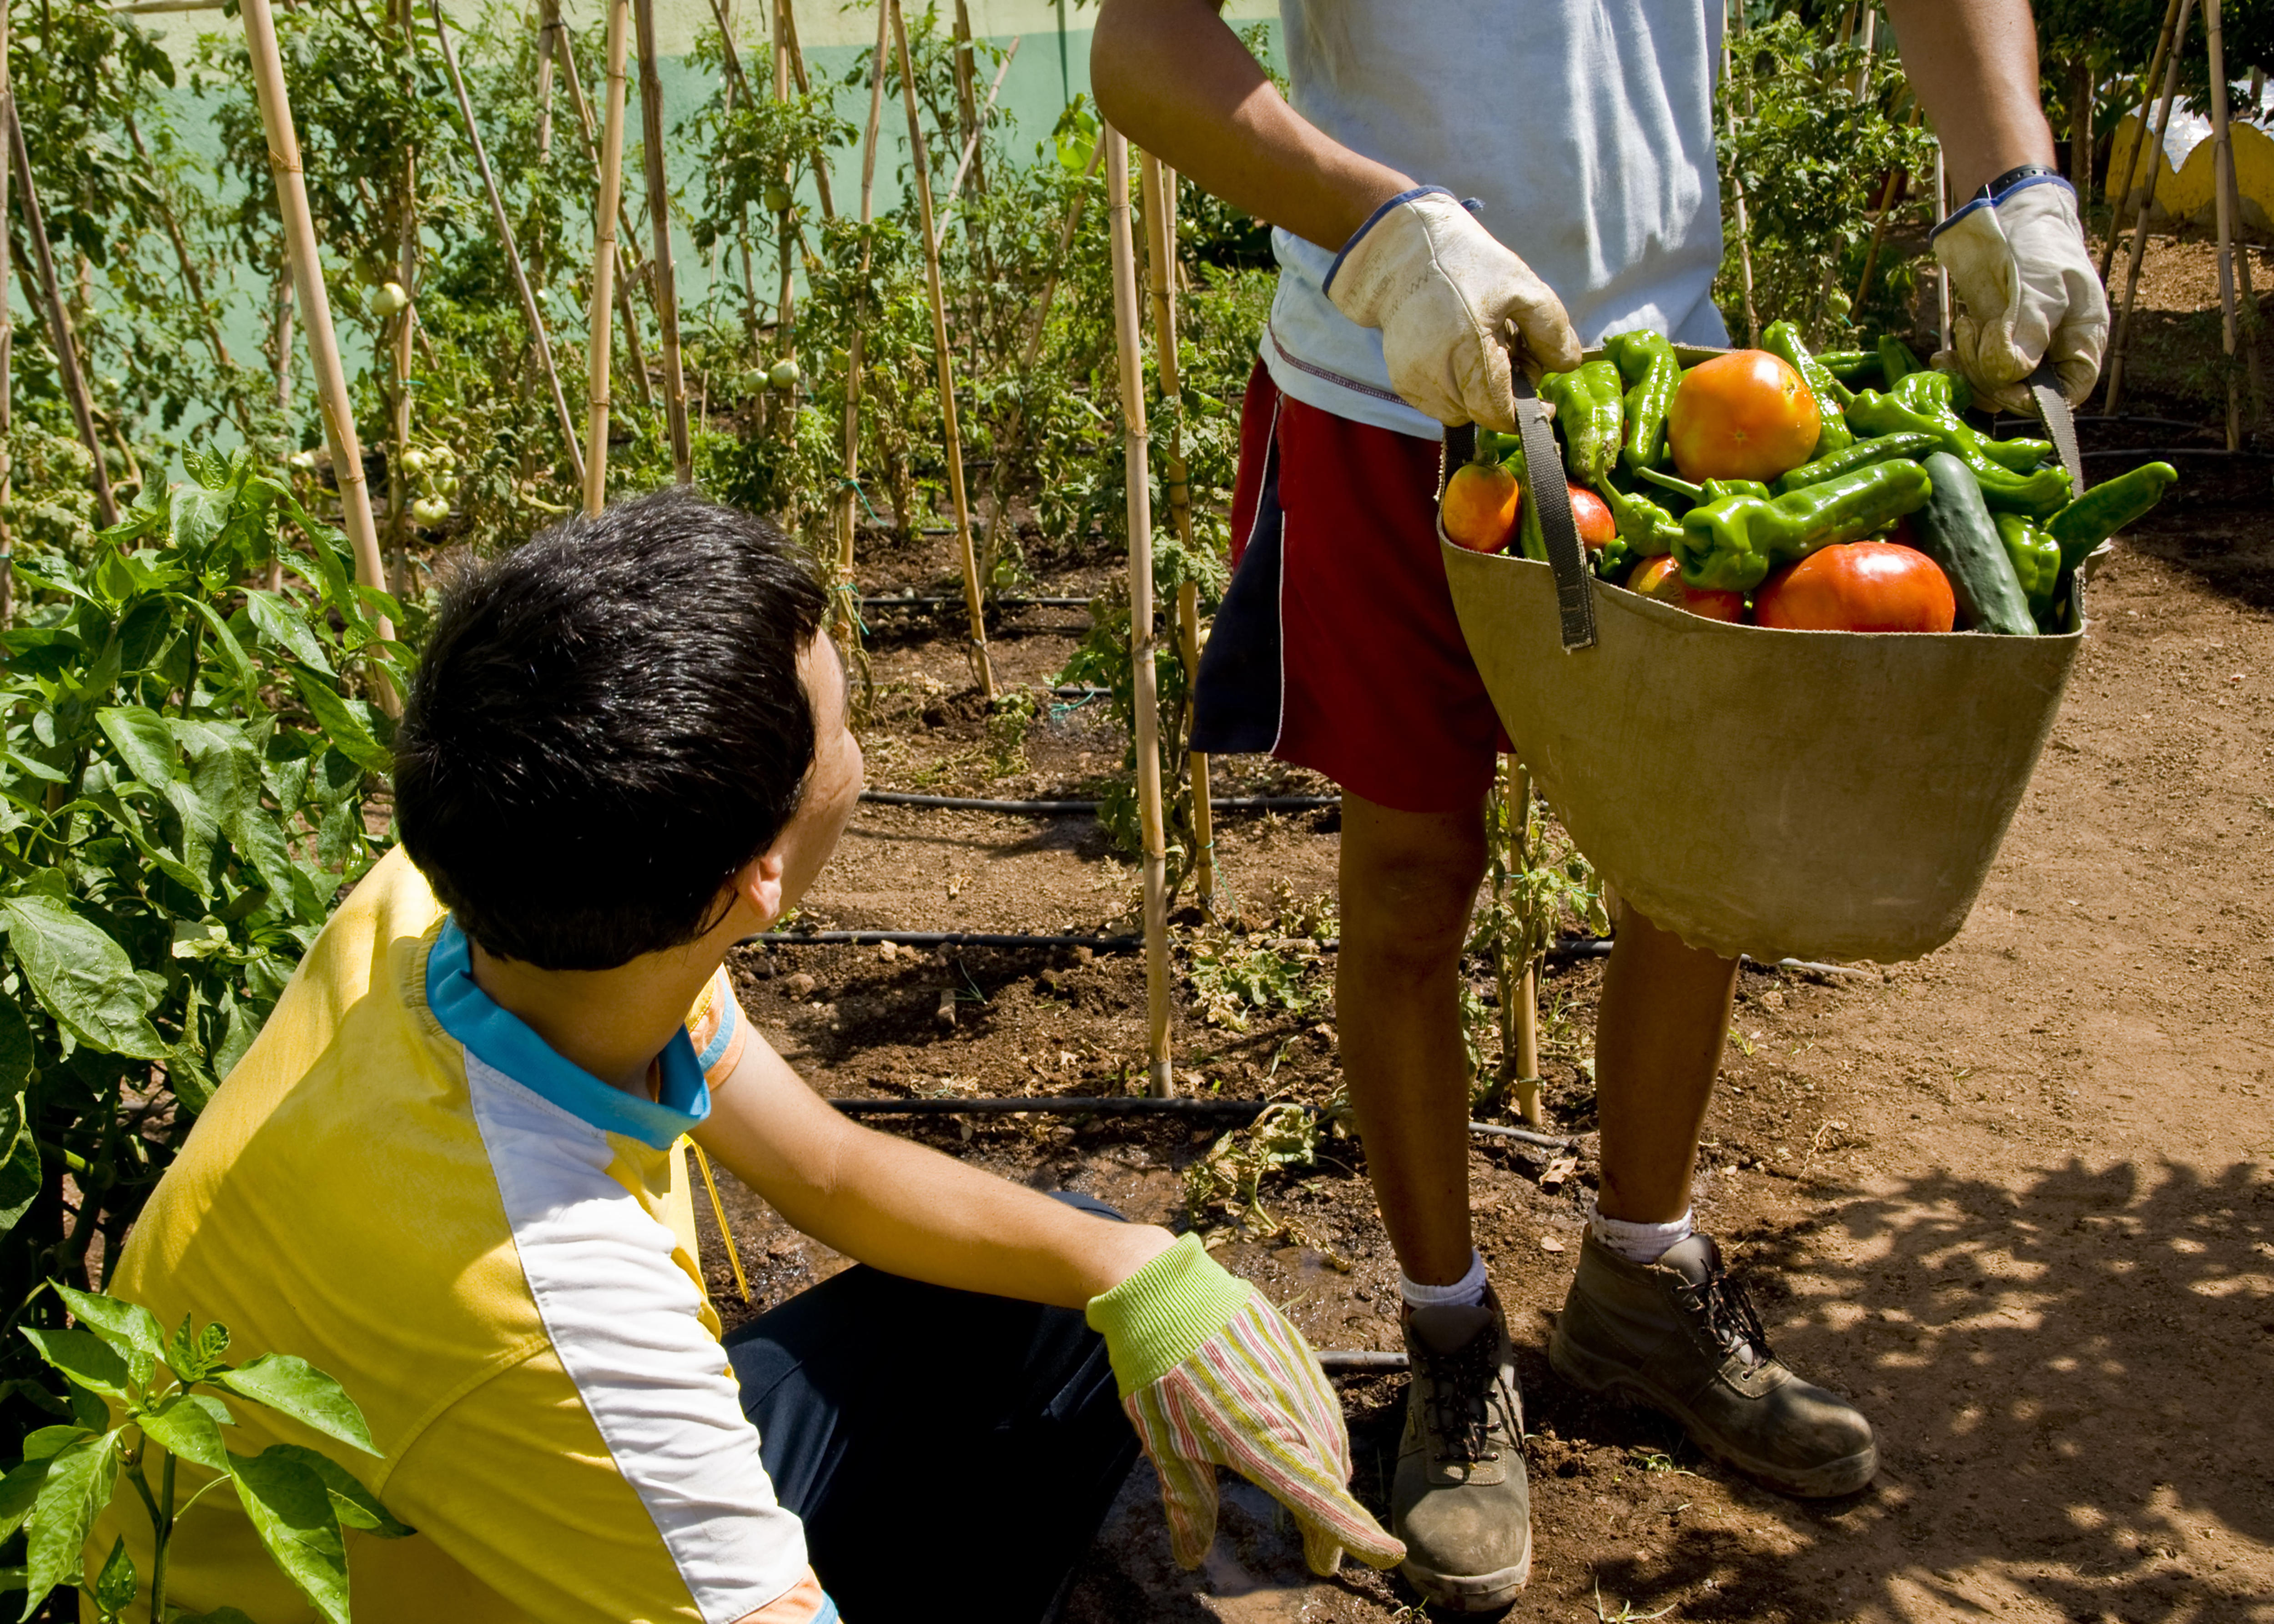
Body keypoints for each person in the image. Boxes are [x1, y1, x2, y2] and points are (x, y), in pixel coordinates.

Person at [1093, 0, 2107, 1610]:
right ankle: (1448, 1331)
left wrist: (2008, 175)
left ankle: (1644, 1280)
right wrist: (1383, 222)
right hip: (1382, 376)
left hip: (1674, 386)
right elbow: (1145, 49)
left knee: (1684, 869)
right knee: (1413, 882)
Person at [94, 489, 1405, 1622]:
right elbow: (592, 1360)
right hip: (446, 1555)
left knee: (1062, 1286)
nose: (863, 747)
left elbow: (824, 1165)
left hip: (462, 1493)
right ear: (754, 877)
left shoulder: (474, 897)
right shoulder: (561, 1315)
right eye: (838, 725)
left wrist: (1145, 1272)